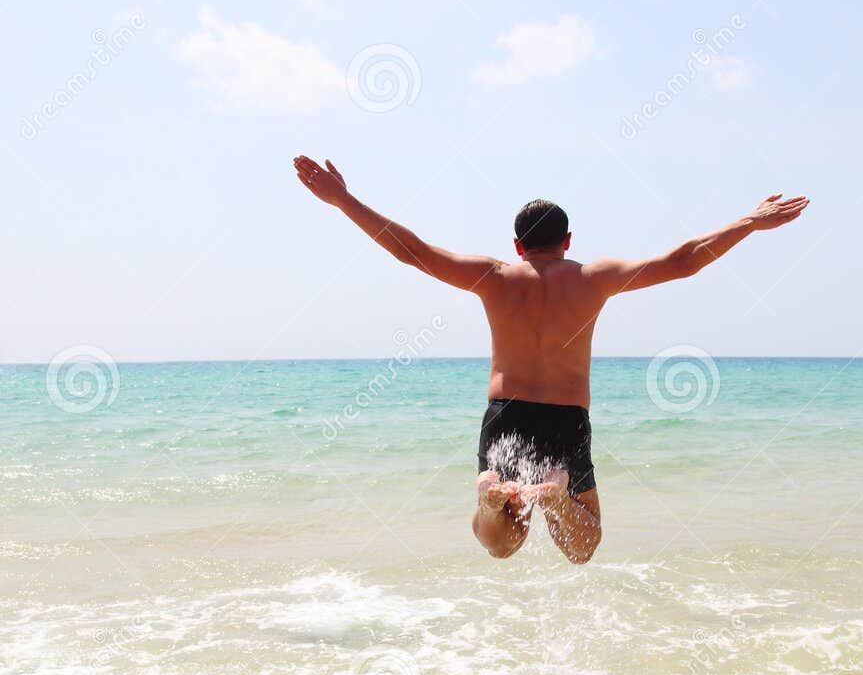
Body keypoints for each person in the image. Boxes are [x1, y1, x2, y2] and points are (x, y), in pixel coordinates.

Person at [294, 156, 808, 563]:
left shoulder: (494, 276)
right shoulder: (594, 278)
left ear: (518, 246)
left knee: (502, 544)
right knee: (581, 548)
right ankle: (558, 497)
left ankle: (490, 498)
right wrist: (748, 222)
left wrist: (343, 200)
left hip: (506, 417)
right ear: (567, 241)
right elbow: (683, 262)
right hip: (566, 419)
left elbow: (412, 251)